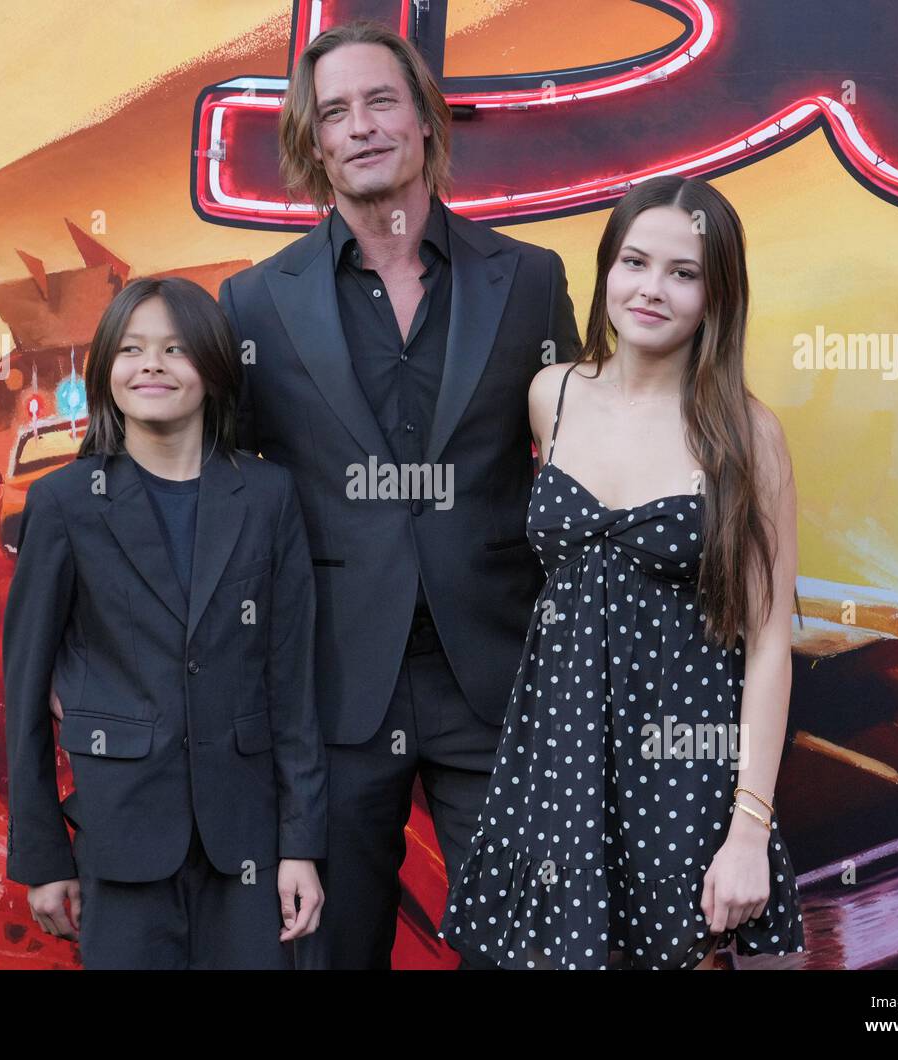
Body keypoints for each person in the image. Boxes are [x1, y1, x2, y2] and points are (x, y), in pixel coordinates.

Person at [216, 20, 583, 968]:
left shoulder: (531, 281)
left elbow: (588, 478)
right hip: (330, 688)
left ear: (424, 120)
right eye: (334, 113)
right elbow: (226, 508)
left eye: (381, 101)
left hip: (498, 679)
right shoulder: (254, 304)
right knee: (329, 954)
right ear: (312, 144)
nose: (361, 127)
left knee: (526, 951)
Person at [439, 175, 806, 970]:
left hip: (685, 773)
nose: (652, 289)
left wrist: (750, 827)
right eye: (635, 262)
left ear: (718, 295)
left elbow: (770, 646)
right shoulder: (551, 396)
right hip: (558, 762)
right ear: (606, 267)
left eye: (684, 273)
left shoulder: (749, 436)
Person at [4, 276, 326, 969]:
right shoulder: (64, 503)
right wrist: (42, 856)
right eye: (131, 349)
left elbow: (293, 683)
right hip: (120, 838)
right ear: (106, 373)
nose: (151, 364)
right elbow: (25, 691)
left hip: (246, 843)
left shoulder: (267, 495)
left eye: (176, 349)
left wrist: (300, 844)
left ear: (212, 369)